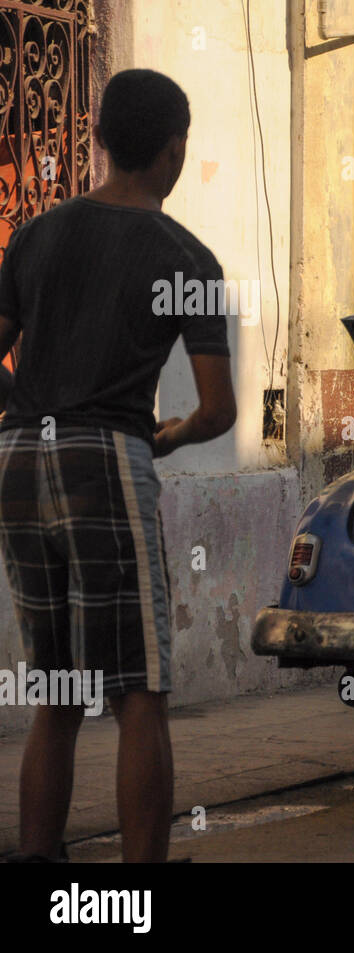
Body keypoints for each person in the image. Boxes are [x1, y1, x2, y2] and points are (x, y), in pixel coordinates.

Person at [0, 69, 236, 862]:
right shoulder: (186, 259)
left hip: (21, 456)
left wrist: (27, 407)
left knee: (57, 688)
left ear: (99, 139)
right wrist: (163, 437)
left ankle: (38, 859)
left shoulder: (34, 236)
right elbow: (218, 411)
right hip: (107, 457)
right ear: (174, 152)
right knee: (139, 687)